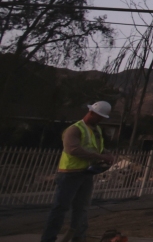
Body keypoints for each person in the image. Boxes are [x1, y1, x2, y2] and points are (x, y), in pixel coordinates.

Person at [39, 101, 116, 242]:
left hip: (86, 173)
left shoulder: (96, 130)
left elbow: (97, 148)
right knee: (60, 208)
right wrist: (100, 156)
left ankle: (78, 236)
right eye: (99, 117)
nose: (100, 120)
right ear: (91, 113)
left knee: (81, 208)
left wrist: (107, 154)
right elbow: (73, 150)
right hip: (70, 173)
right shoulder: (74, 129)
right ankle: (48, 238)